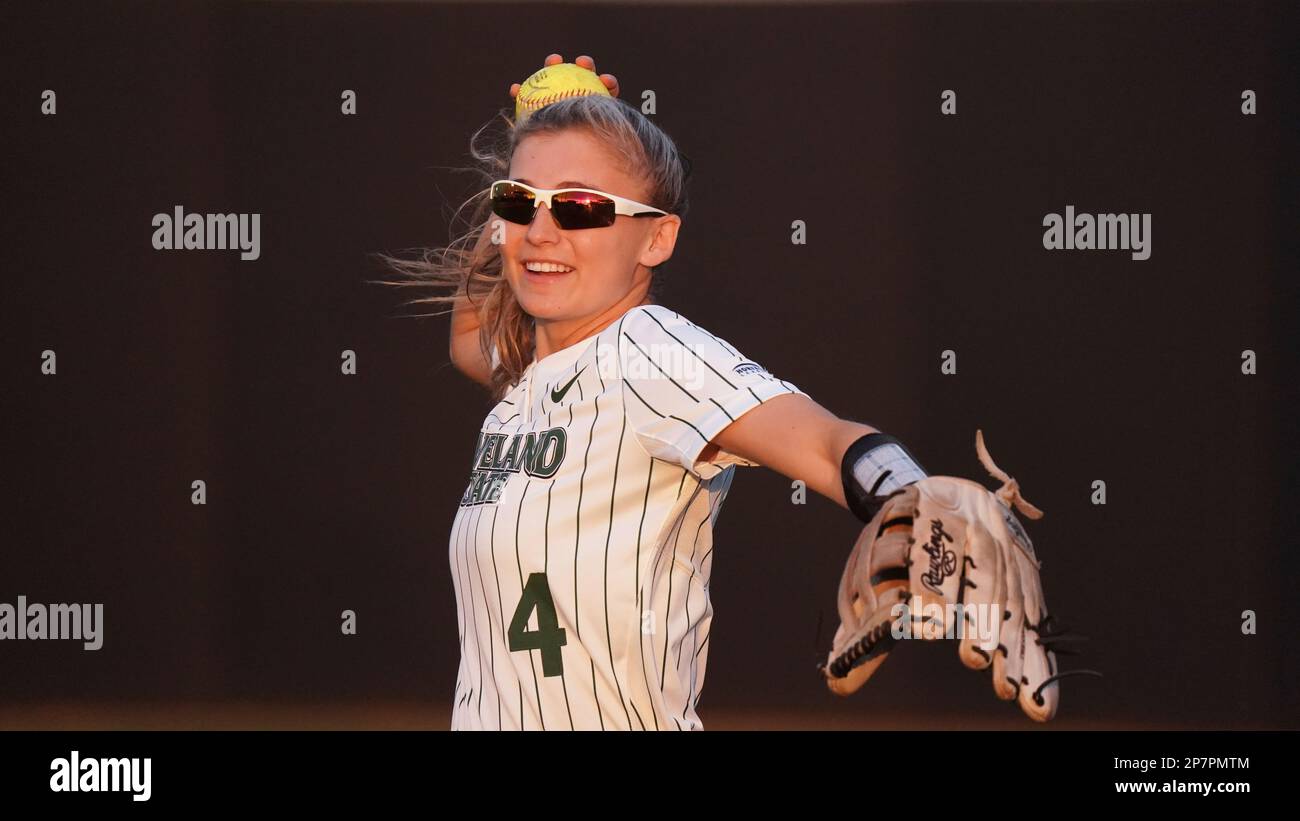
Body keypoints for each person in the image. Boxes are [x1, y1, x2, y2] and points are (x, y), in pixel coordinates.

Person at [382, 55, 928, 730]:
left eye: (580, 205)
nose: (542, 229)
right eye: (521, 201)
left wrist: (915, 502)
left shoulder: (652, 354)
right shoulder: (535, 372)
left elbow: (822, 438)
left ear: (657, 237)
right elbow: (469, 334)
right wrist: (533, 133)